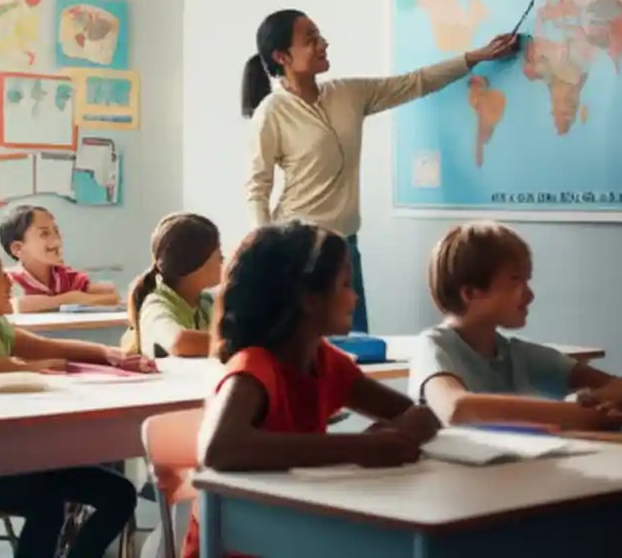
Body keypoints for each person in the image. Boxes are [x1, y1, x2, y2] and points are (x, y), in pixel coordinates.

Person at [241, 9, 520, 332]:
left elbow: (415, 83)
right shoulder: (272, 112)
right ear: (282, 56)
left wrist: (478, 56)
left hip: (345, 244)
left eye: (321, 36)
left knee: (356, 346)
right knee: (307, 353)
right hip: (296, 252)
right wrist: (263, 252)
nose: (323, 44)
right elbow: (256, 188)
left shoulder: (348, 93)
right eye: (311, 39)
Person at [184, 220, 440, 558]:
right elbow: (219, 448)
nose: (355, 296)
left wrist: (399, 432)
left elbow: (415, 413)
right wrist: (358, 447)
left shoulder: (324, 361)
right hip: (240, 541)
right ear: (308, 300)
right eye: (346, 284)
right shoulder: (254, 366)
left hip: (293, 532)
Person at [0, 238, 151, 558]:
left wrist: (109, 354)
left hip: (11, 460)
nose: (9, 278)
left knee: (118, 492)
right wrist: (29, 367)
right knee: (47, 503)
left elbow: (52, 348)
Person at [410, 221, 622, 429]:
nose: (530, 295)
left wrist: (596, 400)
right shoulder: (433, 347)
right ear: (471, 293)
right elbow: (457, 409)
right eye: (516, 280)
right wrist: (574, 415)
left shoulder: (517, 354)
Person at [122, 213, 221, 358]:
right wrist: (237, 345)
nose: (223, 262)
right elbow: (179, 342)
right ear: (194, 265)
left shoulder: (204, 303)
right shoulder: (156, 306)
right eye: (219, 256)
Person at [0, 205, 119, 312]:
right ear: (18, 248)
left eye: (56, 231)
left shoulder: (66, 277)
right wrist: (68, 299)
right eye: (44, 233)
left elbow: (111, 295)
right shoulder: (7, 280)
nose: (56, 239)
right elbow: (17, 305)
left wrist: (78, 298)